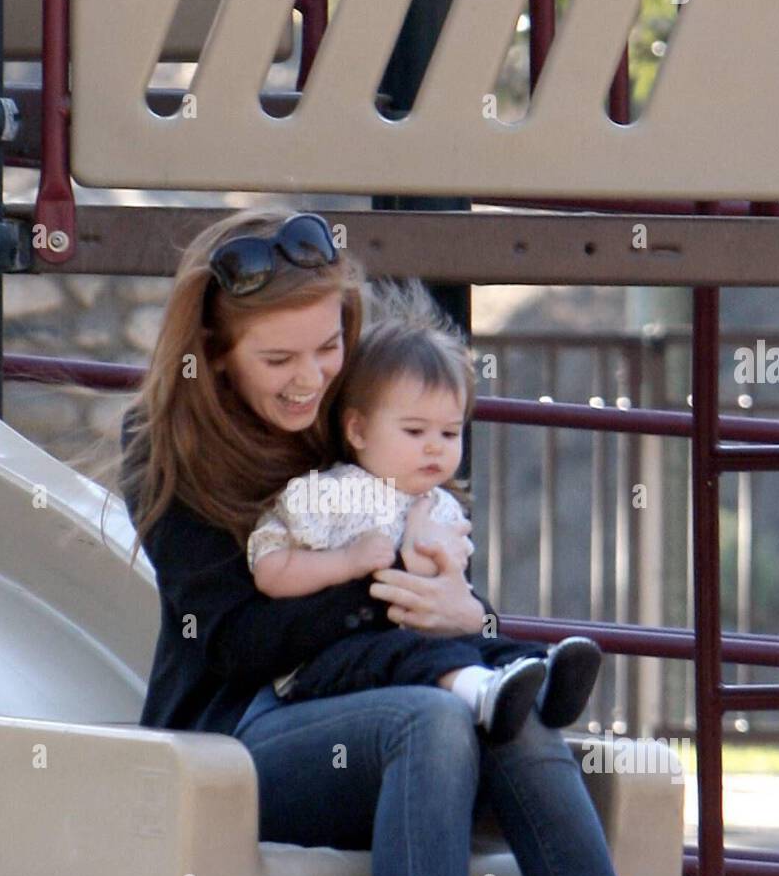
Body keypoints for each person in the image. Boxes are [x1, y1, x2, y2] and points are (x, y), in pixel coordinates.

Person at [115, 204, 647, 876]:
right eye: (277, 360)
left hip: (385, 691)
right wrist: (378, 581)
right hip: (239, 736)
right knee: (429, 717)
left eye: (329, 346)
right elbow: (232, 644)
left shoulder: (361, 404)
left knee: (512, 713)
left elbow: (435, 590)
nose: (309, 379)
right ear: (214, 353)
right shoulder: (168, 446)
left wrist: (473, 613)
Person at [245, 284, 602, 742]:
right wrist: (346, 562)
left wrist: (452, 581)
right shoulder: (331, 493)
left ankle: (539, 676)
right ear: (357, 429)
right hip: (329, 658)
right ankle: (480, 690)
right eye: (415, 431)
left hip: (419, 638)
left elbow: (455, 599)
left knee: (484, 642)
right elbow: (269, 568)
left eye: (450, 434)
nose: (435, 446)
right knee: (410, 652)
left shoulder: (442, 505)